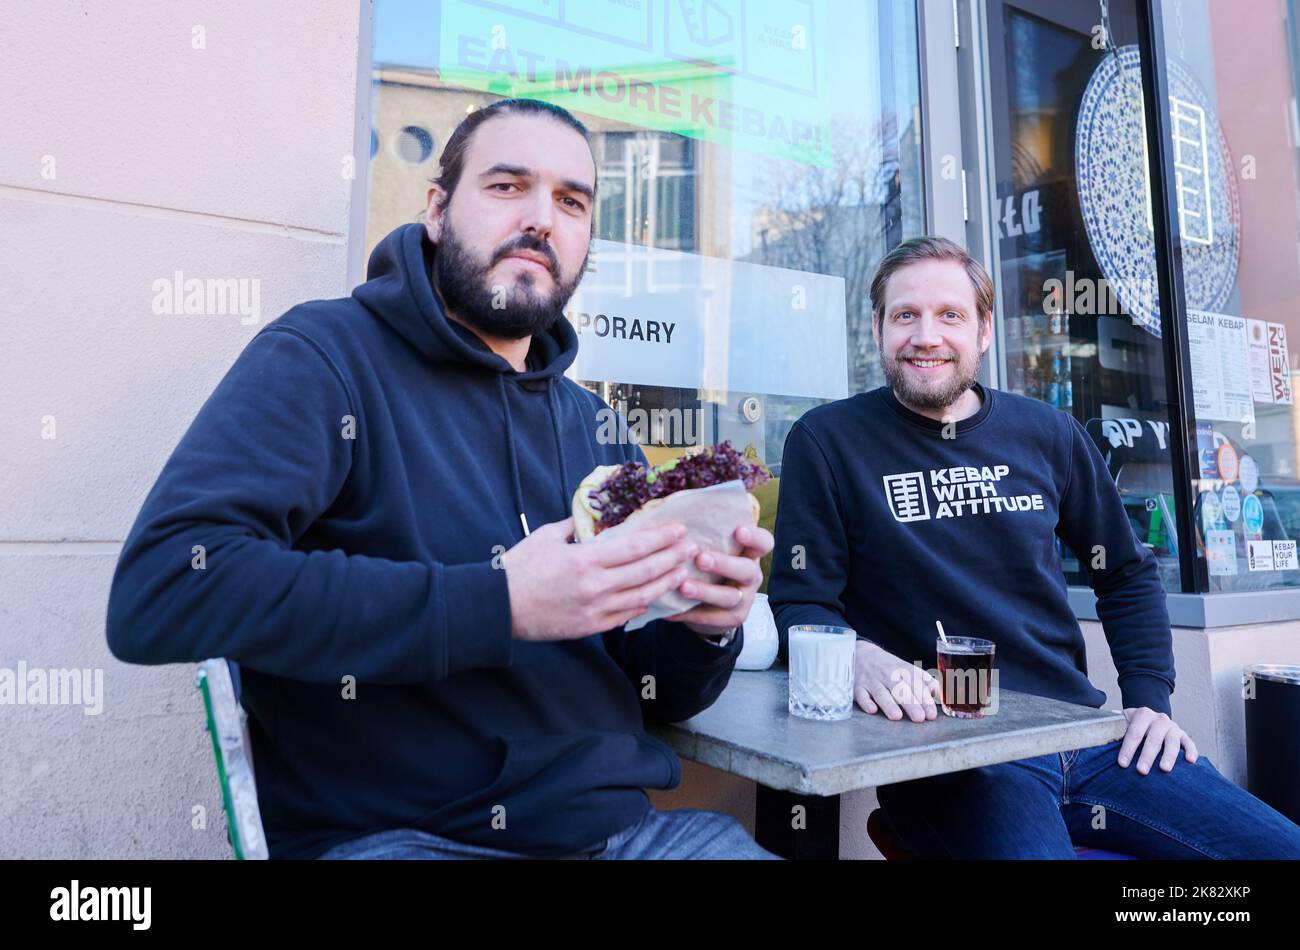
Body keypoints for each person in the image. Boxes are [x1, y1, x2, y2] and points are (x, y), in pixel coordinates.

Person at [107, 98, 778, 860]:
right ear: (436, 209)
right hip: (405, 838)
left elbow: (658, 692)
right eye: (505, 186)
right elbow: (162, 590)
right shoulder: (326, 358)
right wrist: (497, 604)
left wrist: (707, 626)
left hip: (636, 837)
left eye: (570, 201)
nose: (541, 219)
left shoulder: (595, 428)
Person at [768, 235, 1300, 859]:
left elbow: (1126, 574)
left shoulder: (1047, 433)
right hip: (953, 754)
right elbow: (800, 603)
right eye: (905, 315)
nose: (926, 336)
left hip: (1093, 738)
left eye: (950, 315)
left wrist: (1150, 703)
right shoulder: (828, 442)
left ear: (985, 330)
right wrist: (853, 653)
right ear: (879, 327)